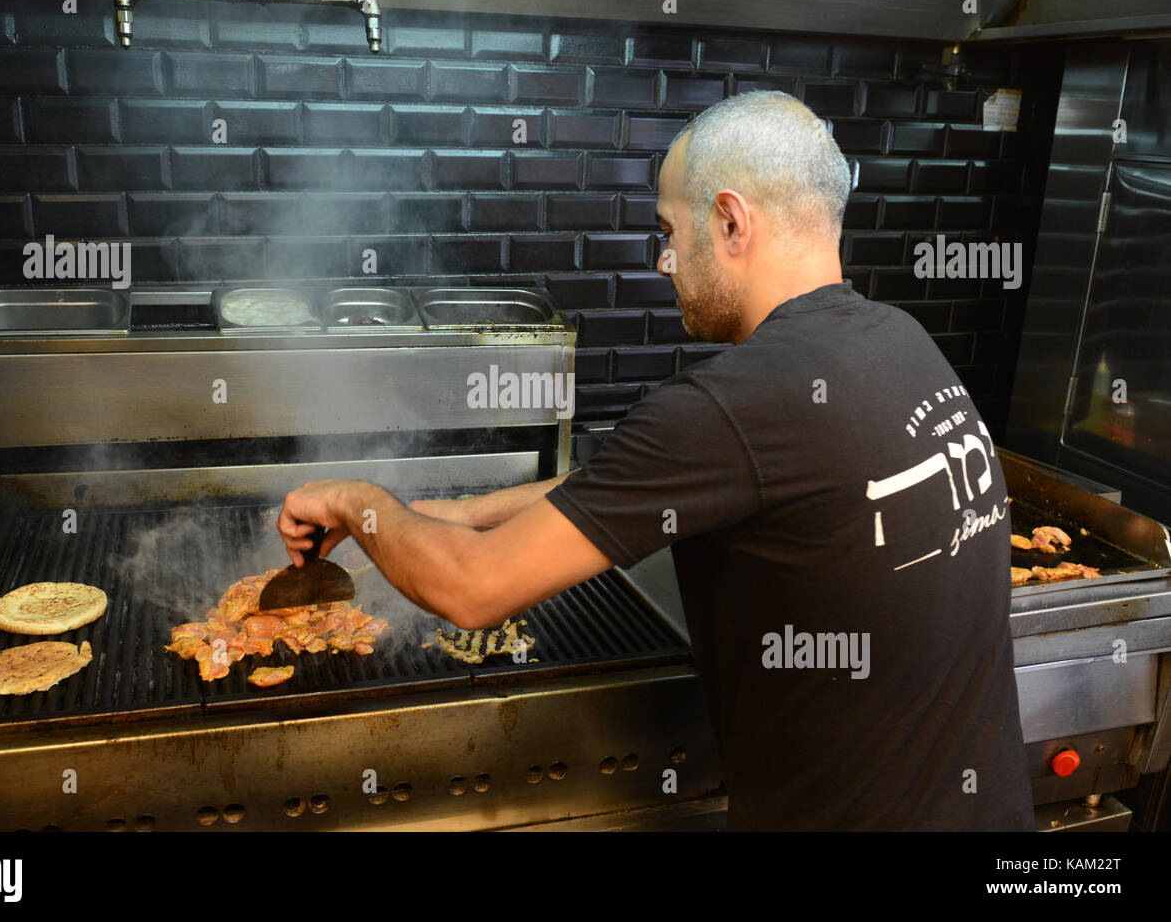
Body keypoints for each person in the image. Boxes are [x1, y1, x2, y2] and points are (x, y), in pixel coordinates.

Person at [277, 90, 1035, 831]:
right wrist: (467, 513)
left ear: (731, 221)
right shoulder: (902, 343)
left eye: (669, 230)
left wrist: (355, 499)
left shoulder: (731, 404)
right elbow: (650, 482)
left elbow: (473, 591)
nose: (665, 260)